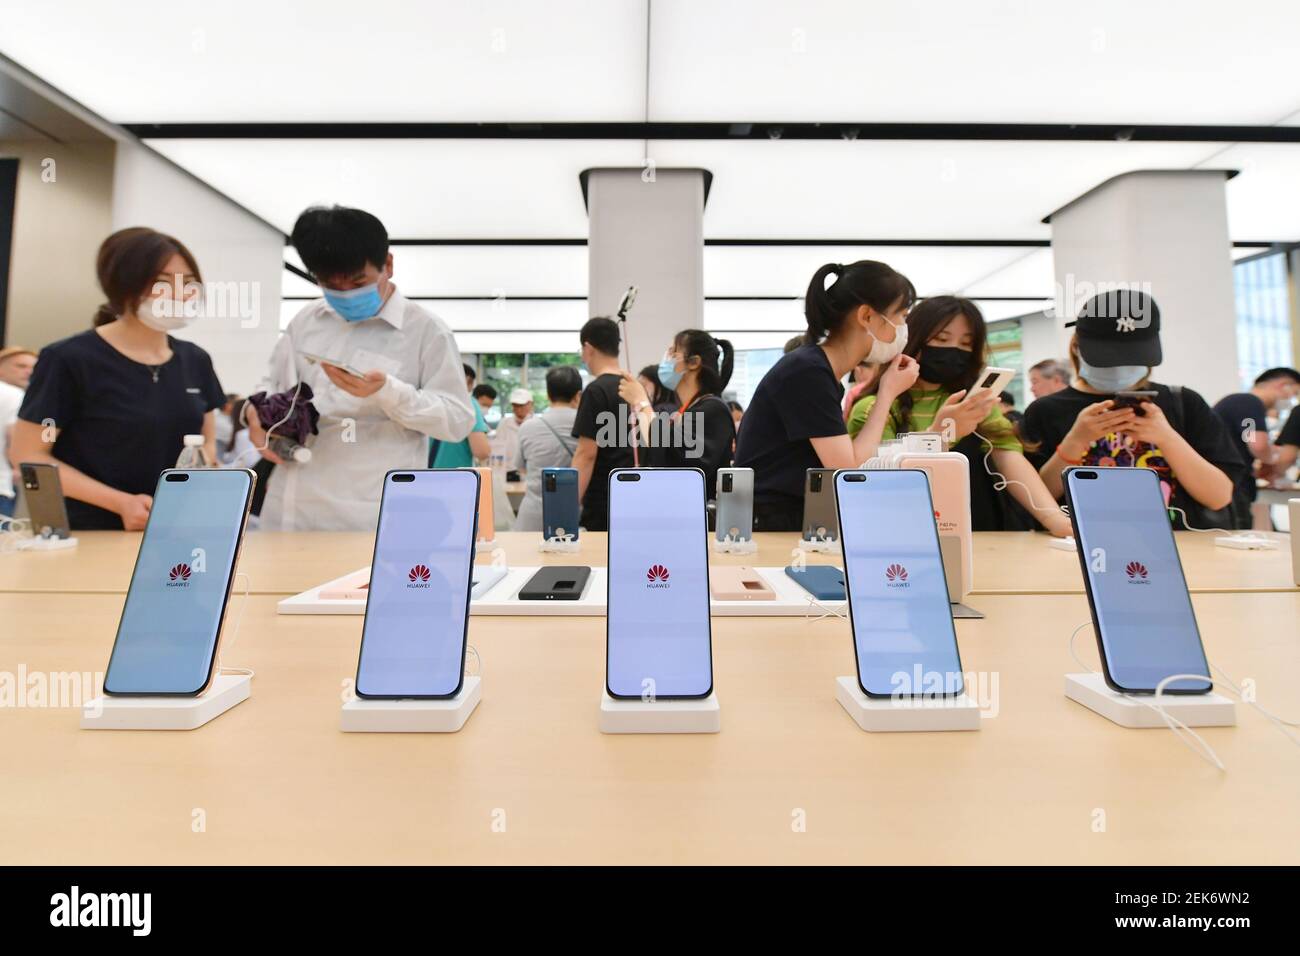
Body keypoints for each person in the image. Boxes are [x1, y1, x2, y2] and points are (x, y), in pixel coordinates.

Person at [246, 206, 475, 530]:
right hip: (293, 511)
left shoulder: (426, 331)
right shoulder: (306, 322)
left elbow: (457, 421)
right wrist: (257, 416)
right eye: (331, 284)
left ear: (388, 266)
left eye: (358, 281)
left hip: (376, 516)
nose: (346, 293)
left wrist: (389, 393)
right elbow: (271, 385)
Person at [10, 227, 223, 530]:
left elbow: (207, 439)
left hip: (177, 529)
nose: (178, 293)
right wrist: (120, 502)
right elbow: (29, 454)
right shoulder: (69, 359)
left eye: (187, 283)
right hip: (91, 533)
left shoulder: (195, 360)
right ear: (123, 285)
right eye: (162, 282)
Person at [848, 296, 1071, 536]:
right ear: (913, 339)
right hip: (904, 534)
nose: (954, 349)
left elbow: (1008, 456)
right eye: (942, 339)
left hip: (981, 531)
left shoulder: (974, 400)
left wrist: (1054, 518)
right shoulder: (876, 408)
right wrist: (941, 435)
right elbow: (877, 482)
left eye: (966, 343)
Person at [1022, 290, 1241, 530]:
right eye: (1107, 357)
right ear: (1077, 347)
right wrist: (1075, 441)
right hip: (1080, 550)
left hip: (1180, 549)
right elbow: (1036, 501)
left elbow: (1219, 497)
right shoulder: (1045, 411)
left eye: (1131, 357)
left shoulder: (1184, 403)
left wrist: (1166, 438)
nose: (1119, 367)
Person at [733, 260, 917, 531]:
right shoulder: (808, 372)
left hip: (781, 518)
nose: (902, 328)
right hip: (770, 524)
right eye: (901, 315)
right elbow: (849, 468)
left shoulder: (818, 371)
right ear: (867, 316)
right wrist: (887, 393)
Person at [619, 330, 737, 499]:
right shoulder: (690, 409)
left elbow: (674, 457)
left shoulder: (713, 410)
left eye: (672, 352)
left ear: (694, 362)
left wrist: (641, 402)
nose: (666, 359)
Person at [1212, 367, 1300, 527]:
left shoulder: (1238, 403)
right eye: (1294, 393)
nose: (1291, 399)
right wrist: (1274, 457)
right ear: (1283, 385)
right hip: (1233, 487)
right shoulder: (1248, 402)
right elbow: (1257, 444)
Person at [571, 316, 634, 531]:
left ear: (588, 348)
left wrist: (568, 506)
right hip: (633, 493)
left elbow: (586, 454)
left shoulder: (596, 391)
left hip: (603, 500)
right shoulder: (634, 387)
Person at [512, 366, 582, 532]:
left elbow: (520, 468)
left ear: (548, 395)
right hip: (574, 514)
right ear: (578, 395)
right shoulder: (588, 426)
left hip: (533, 516)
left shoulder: (527, 427)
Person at [429, 365, 489, 467]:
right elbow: (481, 451)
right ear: (468, 382)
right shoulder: (468, 404)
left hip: (422, 475)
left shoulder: (428, 400)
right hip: (456, 477)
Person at [0, 347, 35, 517]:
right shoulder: (14, 395)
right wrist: (18, 467)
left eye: (33, 368)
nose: (29, 372)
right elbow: (14, 437)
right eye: (21, 366)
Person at [492, 387, 534, 467]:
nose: (518, 409)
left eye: (521, 405)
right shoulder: (504, 423)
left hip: (529, 471)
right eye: (515, 405)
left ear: (530, 404)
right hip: (508, 471)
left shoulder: (536, 424)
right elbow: (498, 448)